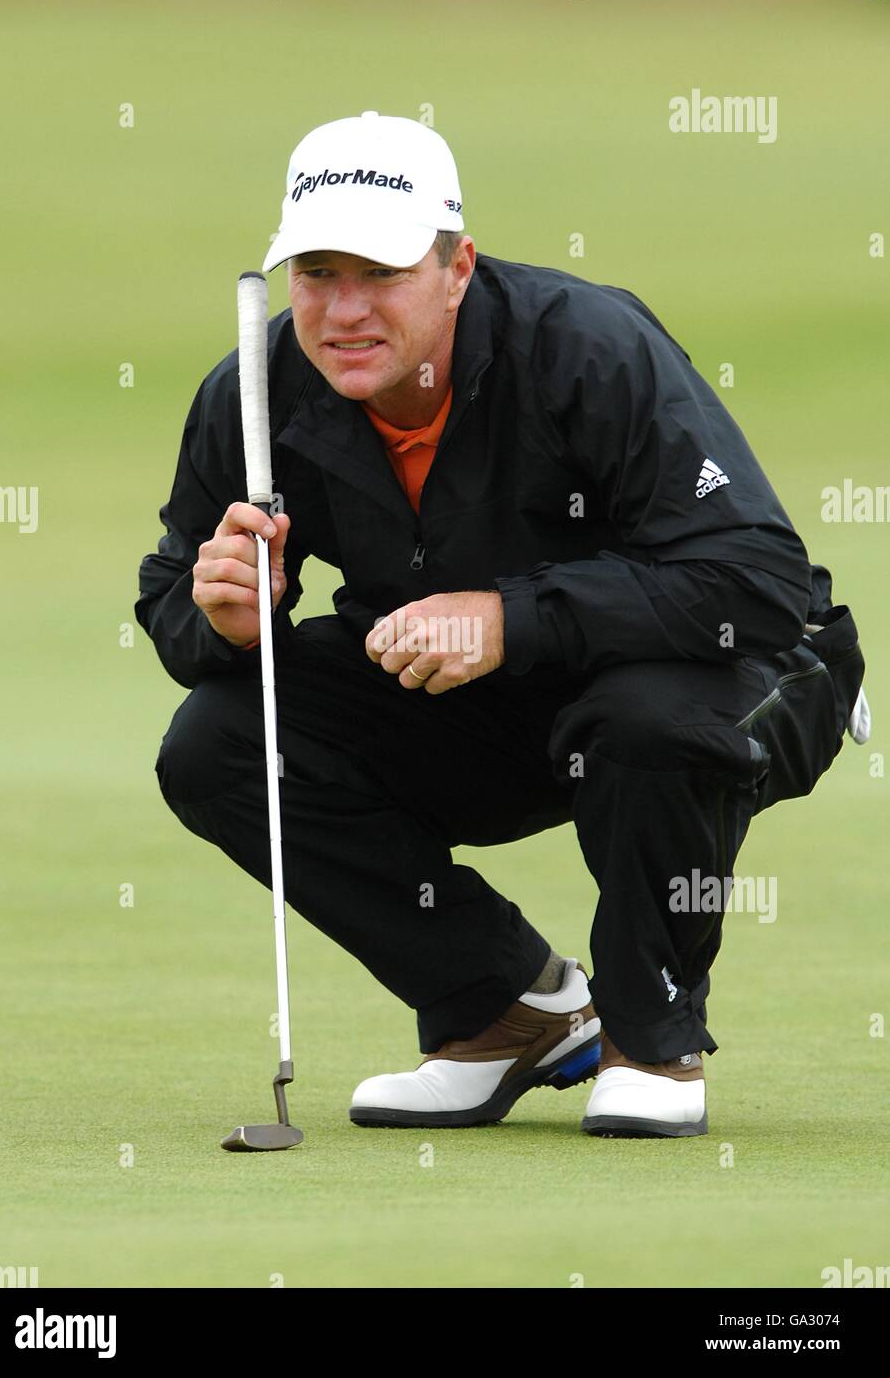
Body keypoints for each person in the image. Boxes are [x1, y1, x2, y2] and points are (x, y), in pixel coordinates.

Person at [135, 111, 865, 1138]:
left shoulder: (584, 345)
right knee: (218, 742)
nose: (343, 310)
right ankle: (503, 1009)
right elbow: (173, 586)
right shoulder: (256, 395)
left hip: (741, 668)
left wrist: (508, 618)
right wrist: (224, 623)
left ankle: (651, 1040)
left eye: (379, 274)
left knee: (645, 720)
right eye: (315, 274)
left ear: (456, 265)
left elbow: (755, 580)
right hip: (489, 700)